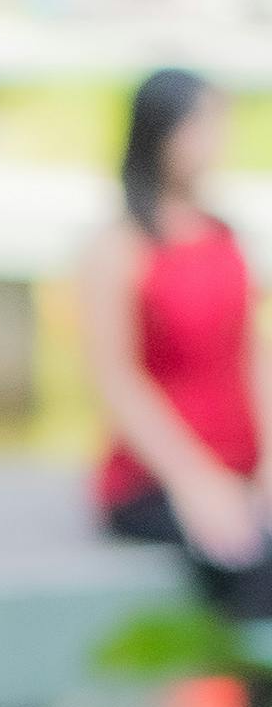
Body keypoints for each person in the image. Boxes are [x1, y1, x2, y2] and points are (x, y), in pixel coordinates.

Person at [84, 65, 272, 611]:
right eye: (200, 126)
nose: (213, 143)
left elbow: (252, 353)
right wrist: (196, 484)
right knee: (252, 564)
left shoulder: (224, 234)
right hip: (159, 474)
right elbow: (117, 380)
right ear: (160, 133)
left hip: (243, 465)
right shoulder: (120, 246)